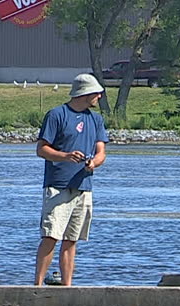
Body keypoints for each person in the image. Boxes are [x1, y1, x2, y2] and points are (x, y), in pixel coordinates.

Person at [33, 73, 109, 286]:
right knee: (51, 236)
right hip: (58, 186)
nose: (99, 97)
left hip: (83, 186)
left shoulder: (96, 119)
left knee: (71, 239)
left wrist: (93, 163)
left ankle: (67, 286)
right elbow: (41, 149)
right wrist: (65, 156)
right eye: (97, 93)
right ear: (85, 93)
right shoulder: (56, 115)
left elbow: (101, 152)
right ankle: (37, 285)